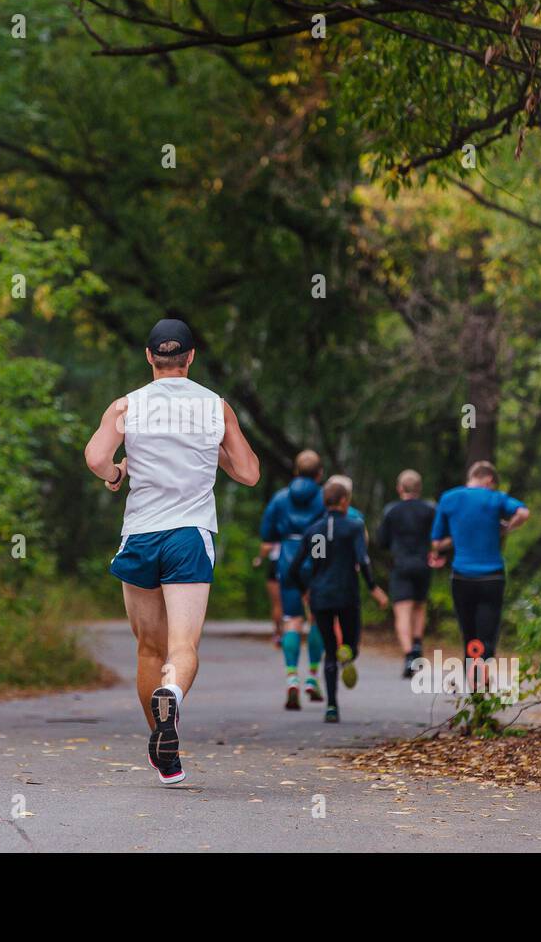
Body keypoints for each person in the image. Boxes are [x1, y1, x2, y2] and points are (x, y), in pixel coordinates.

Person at [85, 318, 260, 785]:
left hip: (140, 536)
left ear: (149, 358)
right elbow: (248, 472)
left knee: (148, 649)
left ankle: (165, 751)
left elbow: (97, 458)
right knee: (182, 647)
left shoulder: (127, 406)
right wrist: (217, 450)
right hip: (188, 536)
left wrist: (118, 475)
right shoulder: (215, 407)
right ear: (191, 357)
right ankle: (173, 696)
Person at [287, 481, 388, 723]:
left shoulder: (315, 531)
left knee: (328, 651)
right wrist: (374, 588)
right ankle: (348, 653)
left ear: (324, 502)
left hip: (320, 596)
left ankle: (331, 706)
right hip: (346, 595)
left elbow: (296, 567)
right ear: (345, 501)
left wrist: (305, 590)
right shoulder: (354, 527)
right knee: (351, 644)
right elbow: (363, 560)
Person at [428, 460, 530, 689]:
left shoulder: (449, 498)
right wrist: (505, 528)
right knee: (487, 636)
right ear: (489, 480)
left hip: (461, 578)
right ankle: (482, 684)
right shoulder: (495, 498)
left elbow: (436, 543)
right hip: (491, 577)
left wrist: (459, 535)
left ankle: (473, 688)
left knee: (469, 635)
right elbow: (523, 512)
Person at [260, 449, 327, 709]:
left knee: (292, 620)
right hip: (318, 559)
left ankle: (291, 678)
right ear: (320, 473)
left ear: (296, 472)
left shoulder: (280, 499)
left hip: (288, 560)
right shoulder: (325, 497)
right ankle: (312, 676)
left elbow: (267, 534)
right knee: (317, 618)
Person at [376, 469, 436, 678]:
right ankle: (418, 646)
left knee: (402, 611)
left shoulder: (391, 511)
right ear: (419, 488)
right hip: (423, 564)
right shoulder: (430, 510)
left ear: (399, 488)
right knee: (419, 607)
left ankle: (409, 655)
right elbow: (437, 536)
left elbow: (381, 540)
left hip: (401, 564)